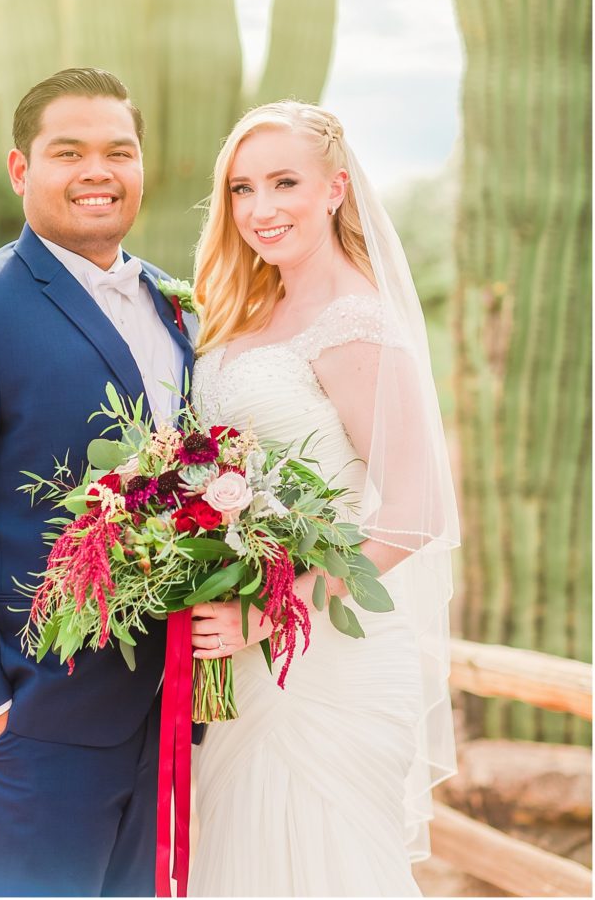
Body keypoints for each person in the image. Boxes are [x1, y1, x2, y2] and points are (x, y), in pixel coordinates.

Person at [0, 68, 194, 897]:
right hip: (32, 727)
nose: (99, 170)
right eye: (70, 151)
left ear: (141, 166)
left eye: (118, 151)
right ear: (22, 170)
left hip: (167, 721)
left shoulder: (175, 303)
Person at [188, 100, 460, 897]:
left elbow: (416, 510)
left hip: (326, 650)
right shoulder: (249, 310)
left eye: (284, 183)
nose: (260, 209)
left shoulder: (356, 323)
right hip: (244, 653)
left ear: (336, 187)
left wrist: (281, 606)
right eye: (241, 189)